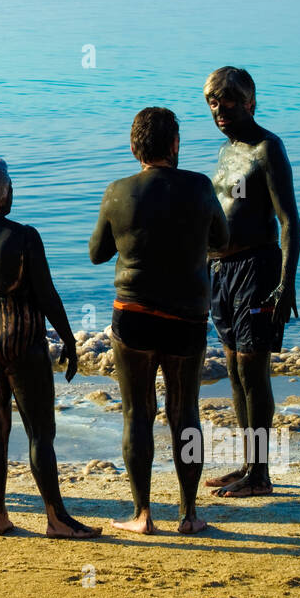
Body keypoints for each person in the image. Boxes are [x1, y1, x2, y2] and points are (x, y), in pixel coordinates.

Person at [0, 157, 101, 539]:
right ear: (3, 194)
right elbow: (45, 294)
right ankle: (56, 519)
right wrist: (68, 339)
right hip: (17, 333)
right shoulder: (24, 235)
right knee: (39, 432)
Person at [89, 107, 227, 535]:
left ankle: (143, 515)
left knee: (137, 413)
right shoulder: (201, 186)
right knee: (185, 412)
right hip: (187, 316)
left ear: (134, 149)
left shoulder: (117, 191)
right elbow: (221, 241)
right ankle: (189, 515)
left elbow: (97, 253)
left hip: (133, 314)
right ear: (175, 145)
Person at [201, 66, 300, 498]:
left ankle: (260, 475)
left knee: (253, 371)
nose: (219, 109)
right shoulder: (227, 151)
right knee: (235, 373)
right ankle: (247, 464)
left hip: (257, 270)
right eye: (211, 101)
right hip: (221, 272)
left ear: (249, 102)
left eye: (227, 100)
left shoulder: (268, 148)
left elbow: (289, 221)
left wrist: (286, 283)